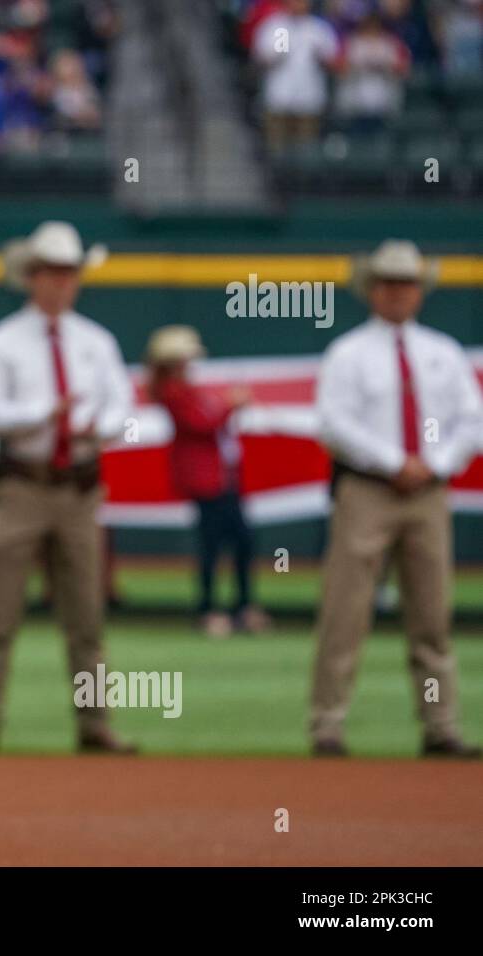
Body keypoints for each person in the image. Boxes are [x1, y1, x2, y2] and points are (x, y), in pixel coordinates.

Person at [0, 221, 135, 755]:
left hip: (79, 487)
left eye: (70, 273)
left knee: (87, 615)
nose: (62, 283)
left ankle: (94, 724)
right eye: (53, 273)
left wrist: (98, 427)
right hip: (22, 485)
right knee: (0, 615)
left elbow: (121, 406)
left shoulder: (96, 342)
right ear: (32, 277)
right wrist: (46, 414)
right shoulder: (2, 343)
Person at [311, 239, 483, 759]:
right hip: (368, 490)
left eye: (406, 283)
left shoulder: (442, 353)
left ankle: (440, 725)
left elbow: (471, 420)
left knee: (432, 614)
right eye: (388, 283)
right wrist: (393, 461)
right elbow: (334, 423)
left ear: (419, 291)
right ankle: (328, 724)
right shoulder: (348, 353)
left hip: (427, 492)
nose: (397, 293)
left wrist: (435, 462)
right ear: (372, 290)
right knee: (346, 610)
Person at [147, 324, 270, 638]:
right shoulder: (173, 392)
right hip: (205, 481)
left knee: (240, 540)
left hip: (222, 477)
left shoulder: (187, 389)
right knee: (213, 544)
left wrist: (226, 405)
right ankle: (210, 608)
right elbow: (202, 421)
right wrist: (231, 404)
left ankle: (241, 605)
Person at [252, 0, 339, 151]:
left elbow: (333, 59)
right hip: (279, 97)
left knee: (306, 148)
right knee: (277, 148)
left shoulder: (317, 28)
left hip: (309, 98)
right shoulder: (277, 26)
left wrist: (321, 58)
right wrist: (277, 54)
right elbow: (261, 57)